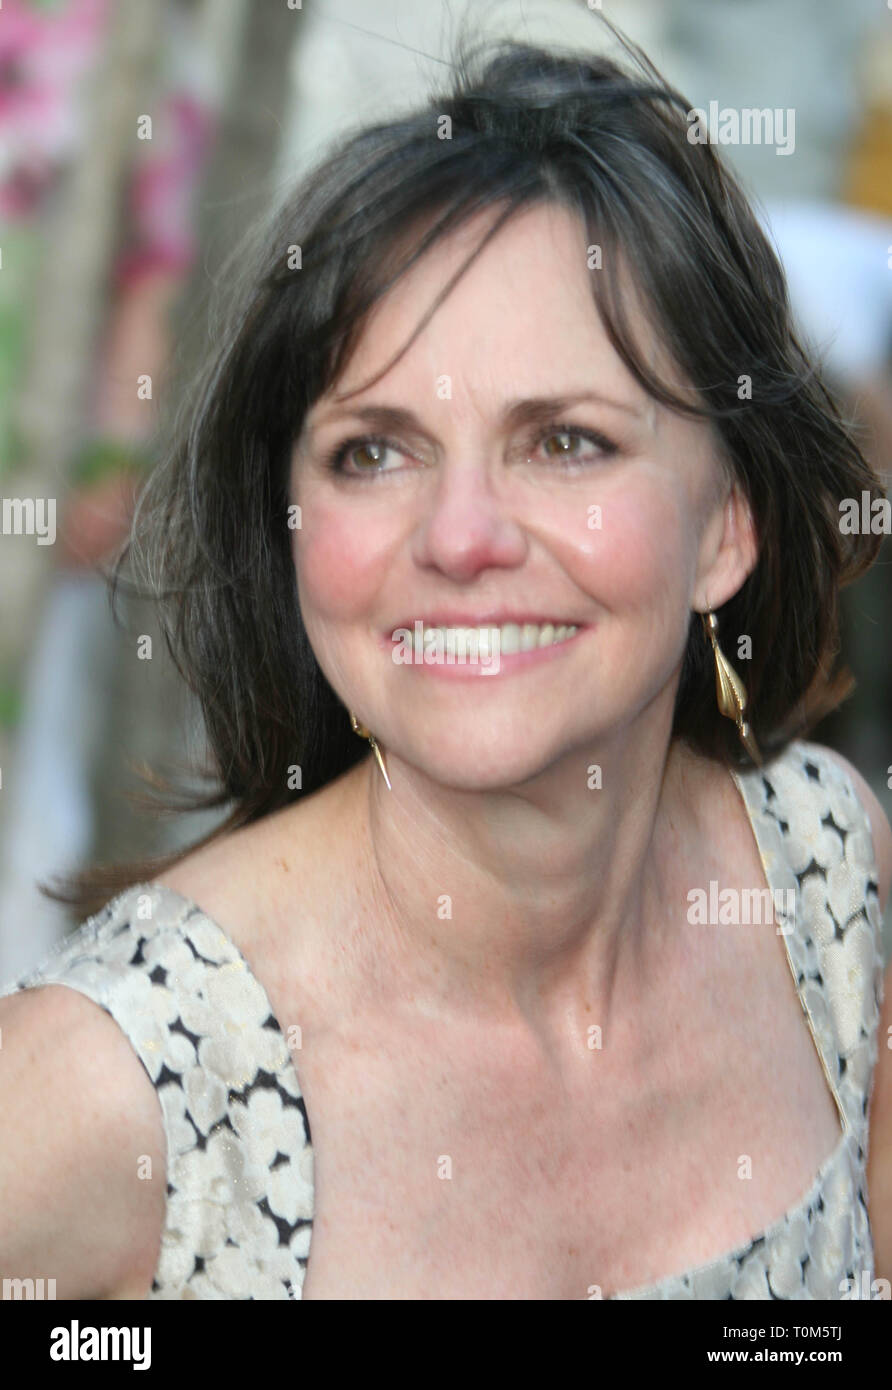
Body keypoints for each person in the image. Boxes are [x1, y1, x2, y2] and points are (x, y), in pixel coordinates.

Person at [1, 29, 891, 1301]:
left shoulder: (825, 873)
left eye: (566, 442)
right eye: (374, 451)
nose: (461, 538)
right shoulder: (130, 1086)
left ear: (728, 525)